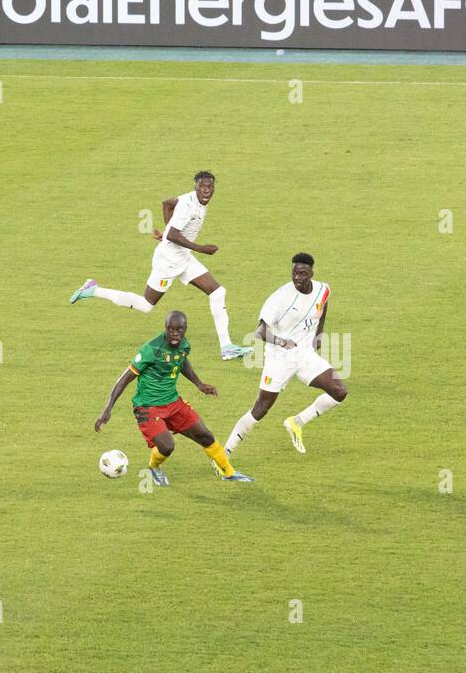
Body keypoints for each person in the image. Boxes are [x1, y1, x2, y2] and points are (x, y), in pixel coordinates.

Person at [69, 171, 254, 361]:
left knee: (217, 292)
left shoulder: (191, 199)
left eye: (210, 186)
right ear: (195, 187)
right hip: (168, 261)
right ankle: (93, 289)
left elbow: (167, 203)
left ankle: (227, 347)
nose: (207, 191)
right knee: (146, 305)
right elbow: (174, 234)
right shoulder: (189, 207)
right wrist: (200, 248)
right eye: (203, 187)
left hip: (183, 256)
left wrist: (166, 233)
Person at [95, 310, 252, 486]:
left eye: (179, 330)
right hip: (147, 407)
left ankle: (229, 472)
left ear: (185, 329)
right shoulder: (152, 349)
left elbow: (181, 360)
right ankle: (154, 467)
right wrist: (108, 408)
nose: (175, 333)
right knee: (167, 446)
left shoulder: (184, 345)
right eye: (171, 329)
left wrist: (199, 384)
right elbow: (124, 378)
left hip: (173, 402)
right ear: (165, 329)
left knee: (205, 435)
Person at [225, 253, 347, 459]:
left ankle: (296, 423)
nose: (298, 278)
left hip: (305, 355)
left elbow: (323, 304)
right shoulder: (280, 297)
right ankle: (225, 452)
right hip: (279, 357)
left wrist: (319, 333)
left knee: (339, 391)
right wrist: (282, 341)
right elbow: (260, 331)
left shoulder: (322, 289)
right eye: (294, 273)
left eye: (303, 273)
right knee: (261, 408)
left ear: (311, 273)